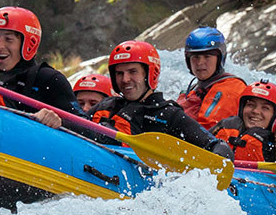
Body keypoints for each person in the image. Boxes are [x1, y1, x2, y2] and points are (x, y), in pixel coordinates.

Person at [90, 40, 233, 157]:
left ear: (150, 74)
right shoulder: (107, 105)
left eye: (133, 72)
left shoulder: (169, 115)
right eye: (119, 73)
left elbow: (216, 145)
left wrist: (220, 156)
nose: (125, 79)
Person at [0, 6, 80, 129]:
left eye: (8, 39)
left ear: (29, 43)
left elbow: (88, 129)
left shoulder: (49, 79)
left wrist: (60, 121)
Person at [210, 81, 276, 163]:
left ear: (275, 116)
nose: (256, 111)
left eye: (265, 108)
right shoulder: (225, 126)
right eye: (250, 105)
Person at [177, 27, 246, 128]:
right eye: (195, 57)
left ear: (219, 59)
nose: (200, 62)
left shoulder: (231, 87)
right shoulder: (193, 89)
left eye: (207, 57)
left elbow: (206, 130)